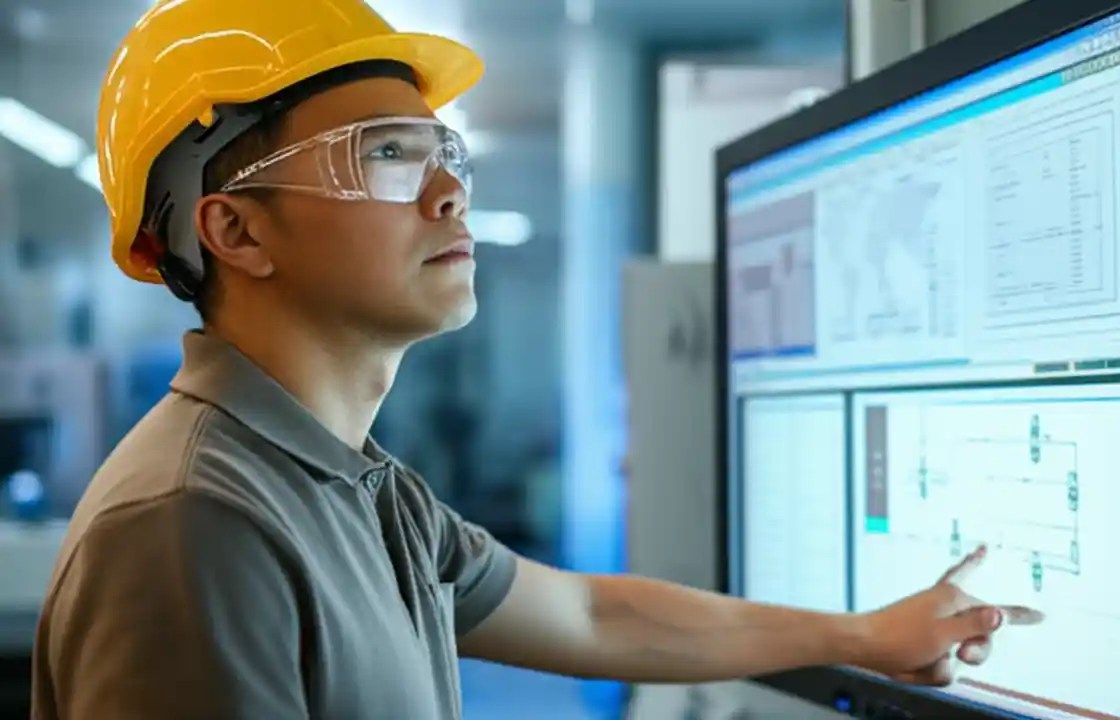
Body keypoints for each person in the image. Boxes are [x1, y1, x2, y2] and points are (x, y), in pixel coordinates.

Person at [30, 1, 1042, 718]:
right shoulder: (192, 526)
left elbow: (591, 616)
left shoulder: (360, 489)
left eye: (444, 154)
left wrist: (865, 635)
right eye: (386, 155)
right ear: (236, 231)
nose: (447, 192)